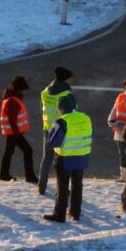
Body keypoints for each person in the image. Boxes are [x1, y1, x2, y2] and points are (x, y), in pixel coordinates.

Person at [44, 92, 93, 222]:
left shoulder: (62, 121)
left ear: (61, 108)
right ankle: (75, 213)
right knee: (77, 185)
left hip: (65, 158)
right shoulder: (85, 118)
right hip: (82, 157)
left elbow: (53, 141)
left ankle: (59, 214)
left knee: (62, 187)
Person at [0, 76, 40, 191]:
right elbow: (12, 119)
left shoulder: (10, 98)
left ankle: (4, 174)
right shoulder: (12, 100)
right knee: (28, 150)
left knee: (9, 151)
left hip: (11, 131)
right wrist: (17, 132)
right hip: (14, 132)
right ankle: (29, 176)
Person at [38, 67, 75, 189]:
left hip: (48, 128)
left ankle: (41, 186)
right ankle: (62, 189)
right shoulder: (66, 94)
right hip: (62, 130)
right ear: (65, 79)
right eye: (70, 78)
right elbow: (72, 113)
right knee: (62, 161)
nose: (71, 81)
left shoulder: (45, 91)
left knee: (46, 158)